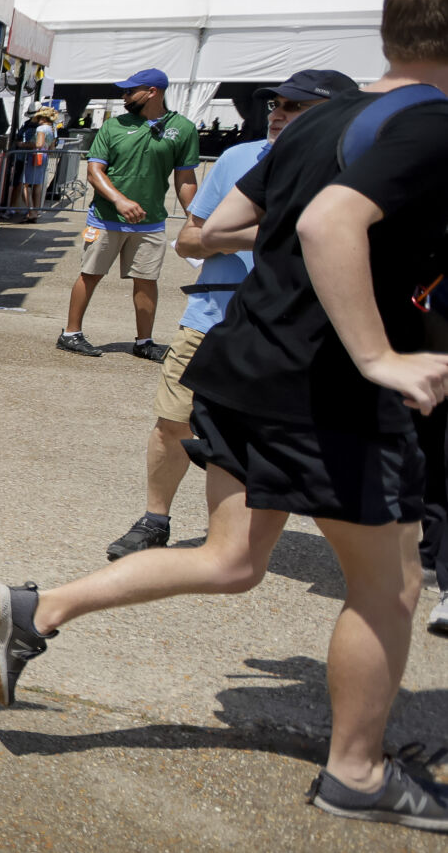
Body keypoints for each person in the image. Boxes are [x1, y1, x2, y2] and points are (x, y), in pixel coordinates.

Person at [0, 0, 448, 831]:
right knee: (388, 590)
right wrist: (380, 354)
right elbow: (323, 223)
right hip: (328, 388)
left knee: (232, 560)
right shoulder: (428, 124)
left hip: (242, 363)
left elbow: (220, 229)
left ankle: (38, 609)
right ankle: (356, 772)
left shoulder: (320, 123)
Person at [105, 69, 357, 561]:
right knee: (173, 422)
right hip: (213, 318)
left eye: (296, 107)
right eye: (276, 105)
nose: (279, 114)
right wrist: (267, 236)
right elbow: (189, 241)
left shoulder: (357, 175)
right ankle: (156, 518)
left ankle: (370, 553)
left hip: (307, 333)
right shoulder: (240, 160)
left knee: (311, 442)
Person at [57, 68, 200, 360]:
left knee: (147, 279)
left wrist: (194, 219)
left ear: (152, 92)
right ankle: (70, 334)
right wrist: (120, 201)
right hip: (106, 218)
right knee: (90, 274)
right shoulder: (113, 127)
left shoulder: (183, 129)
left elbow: (185, 178)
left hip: (150, 222)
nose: (124, 96)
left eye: (129, 91)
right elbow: (95, 171)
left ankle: (144, 342)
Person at [15, 107, 57, 222]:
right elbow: (52, 147)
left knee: (24, 185)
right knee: (38, 185)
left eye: (38, 117)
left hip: (34, 157)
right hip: (44, 157)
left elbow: (38, 144)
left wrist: (23, 145)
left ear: (43, 118)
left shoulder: (41, 128)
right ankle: (36, 210)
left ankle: (31, 211)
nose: (36, 119)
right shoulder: (52, 129)